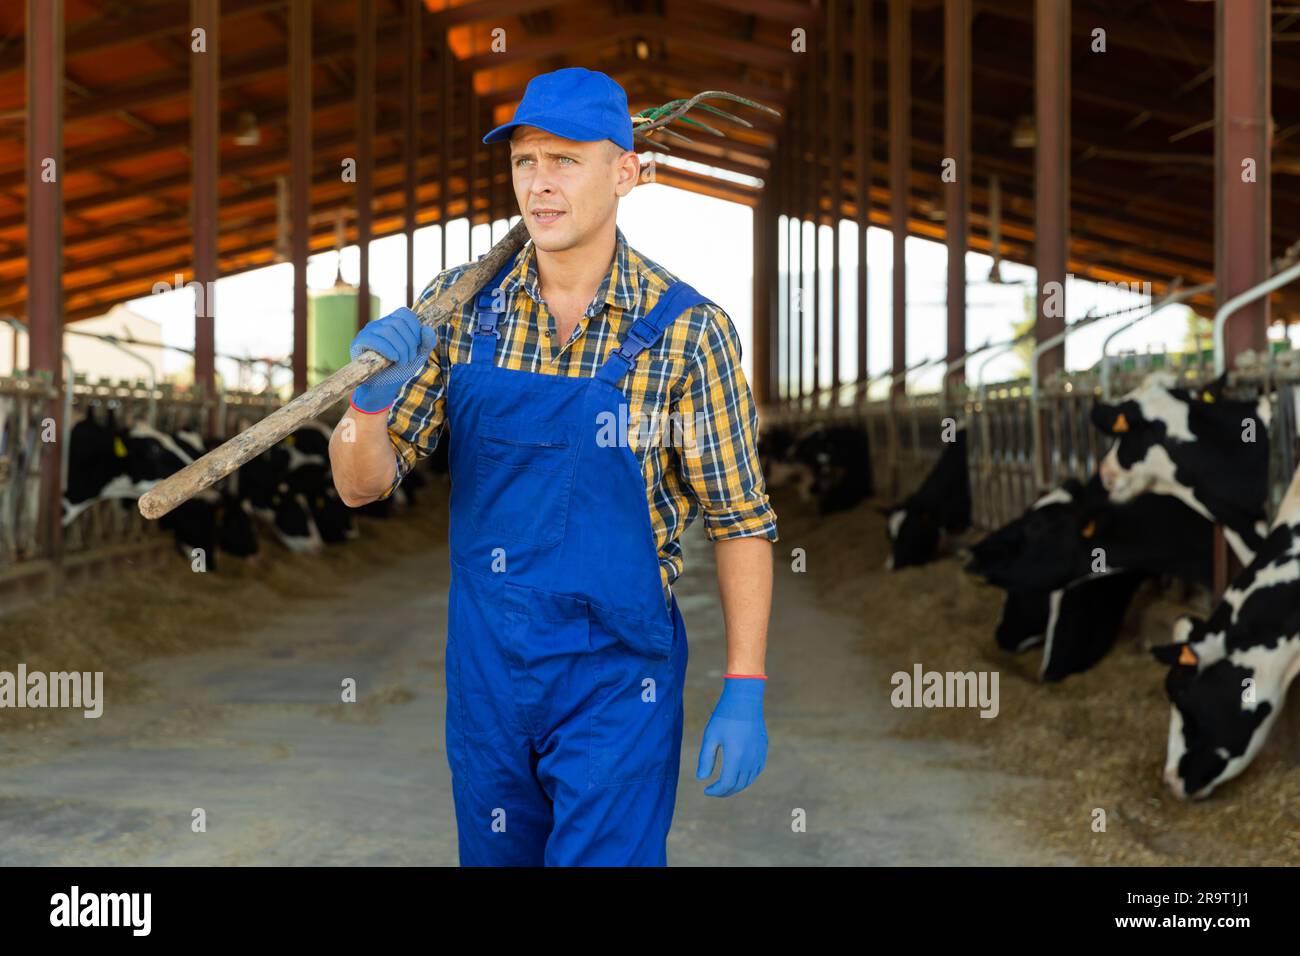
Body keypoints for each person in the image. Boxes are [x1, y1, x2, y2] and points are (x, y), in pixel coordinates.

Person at [328, 67, 777, 866]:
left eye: (566, 160)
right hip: (489, 675)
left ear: (627, 172)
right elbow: (362, 487)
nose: (539, 184)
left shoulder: (688, 332)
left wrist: (745, 684)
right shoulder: (459, 311)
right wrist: (366, 409)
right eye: (525, 161)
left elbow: (740, 519)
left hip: (618, 681)